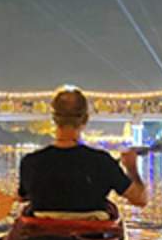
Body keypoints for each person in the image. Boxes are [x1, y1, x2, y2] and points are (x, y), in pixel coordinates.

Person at [18, 88, 147, 213]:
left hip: (43, 235)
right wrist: (131, 168)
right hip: (93, 235)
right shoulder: (103, 162)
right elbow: (140, 199)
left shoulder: (30, 162)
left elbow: (23, 196)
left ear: (54, 119)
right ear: (85, 119)